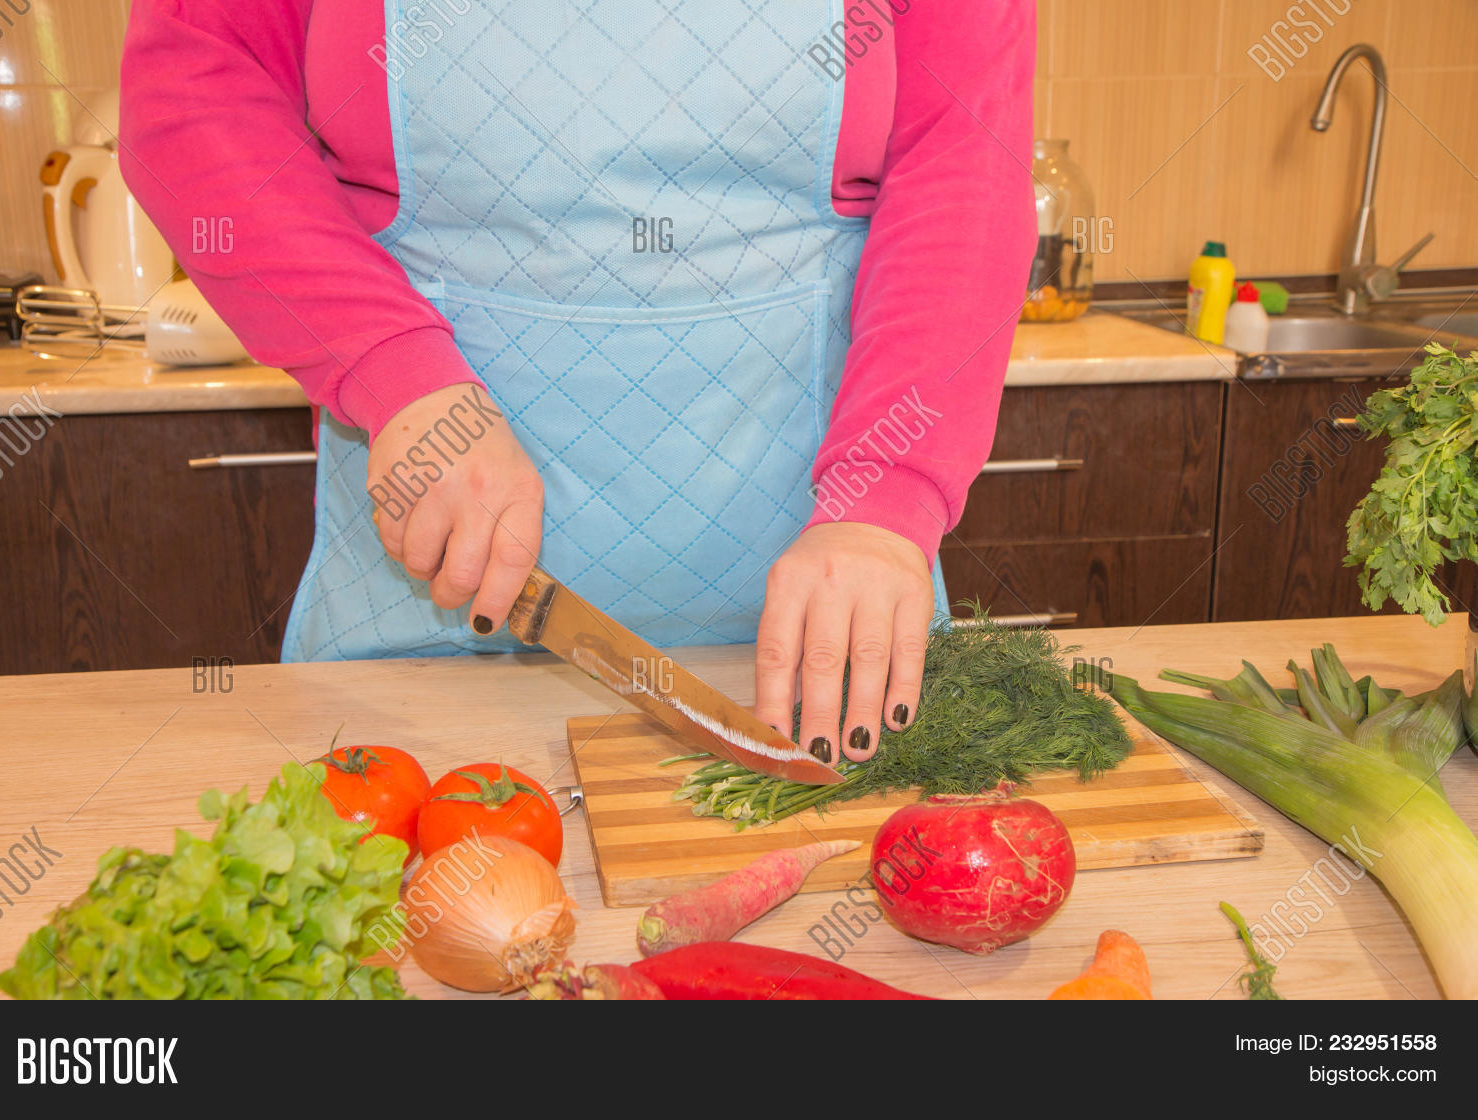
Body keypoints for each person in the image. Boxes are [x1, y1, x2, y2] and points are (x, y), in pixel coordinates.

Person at [119, 0, 1034, 766]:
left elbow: (965, 156)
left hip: (825, 641)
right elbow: (195, 80)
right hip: (418, 640)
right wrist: (394, 372)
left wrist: (884, 497)